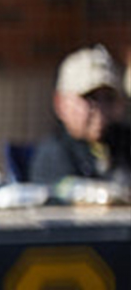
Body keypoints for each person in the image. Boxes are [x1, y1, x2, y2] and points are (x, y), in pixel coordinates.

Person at [27, 45, 131, 205]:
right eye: (90, 98)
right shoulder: (54, 153)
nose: (100, 109)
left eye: (108, 98)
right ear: (61, 103)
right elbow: (59, 193)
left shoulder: (123, 143)